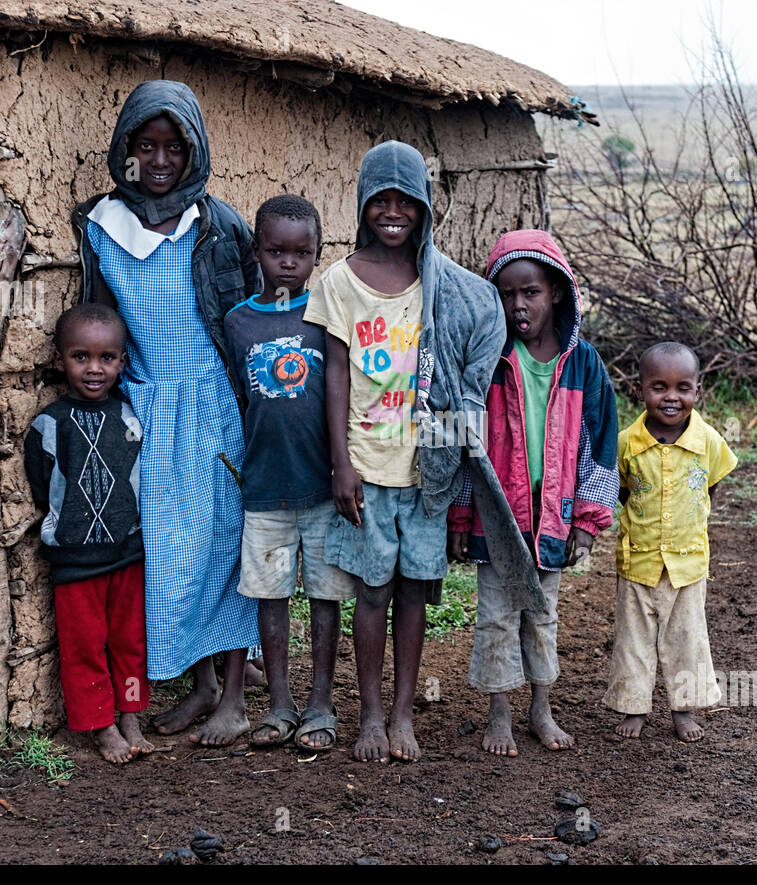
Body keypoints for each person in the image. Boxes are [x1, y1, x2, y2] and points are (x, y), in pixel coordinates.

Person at [304, 140, 544, 763]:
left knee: (413, 592)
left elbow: (477, 358)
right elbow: (333, 375)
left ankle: (406, 713)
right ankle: (372, 717)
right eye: (379, 200)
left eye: (404, 202)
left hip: (428, 470)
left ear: (423, 208)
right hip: (366, 466)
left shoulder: (448, 287)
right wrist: (341, 464)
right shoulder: (339, 282)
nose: (392, 213)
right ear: (362, 206)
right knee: (371, 593)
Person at [72, 80, 260, 748]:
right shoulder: (101, 227)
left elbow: (251, 320)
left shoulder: (219, 224)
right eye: (144, 146)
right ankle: (202, 684)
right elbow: (96, 319)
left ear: (194, 150)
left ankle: (235, 697)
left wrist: (260, 408)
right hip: (148, 408)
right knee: (169, 551)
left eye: (172, 147)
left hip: (214, 403)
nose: (158, 160)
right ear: (124, 149)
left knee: (229, 545)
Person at [448, 230, 618, 757]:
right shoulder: (489, 358)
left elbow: (600, 446)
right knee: (496, 614)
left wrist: (588, 521)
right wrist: (459, 514)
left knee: (542, 615)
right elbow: (463, 441)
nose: (518, 305)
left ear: (559, 292)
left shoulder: (584, 365)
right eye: (505, 294)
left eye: (531, 292)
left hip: (554, 519)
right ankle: (498, 713)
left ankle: (541, 708)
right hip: (497, 518)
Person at [225, 195, 353, 753]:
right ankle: (279, 704)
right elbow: (237, 394)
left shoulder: (327, 316)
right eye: (276, 251)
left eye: (301, 253)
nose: (287, 264)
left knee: (325, 598)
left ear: (317, 256)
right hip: (264, 490)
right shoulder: (238, 323)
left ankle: (320, 703)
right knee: (270, 598)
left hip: (325, 488)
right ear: (257, 251)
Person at [24, 303, 152, 764]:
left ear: (122, 361)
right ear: (60, 360)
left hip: (127, 554)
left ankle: (131, 711)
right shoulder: (48, 425)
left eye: (107, 358)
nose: (94, 369)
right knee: (84, 646)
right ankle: (101, 723)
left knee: (129, 640)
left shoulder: (132, 418)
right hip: (75, 562)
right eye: (81, 357)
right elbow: (44, 489)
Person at [603, 342, 737, 742]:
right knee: (633, 640)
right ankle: (633, 708)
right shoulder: (627, 442)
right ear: (639, 389)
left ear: (698, 390)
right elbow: (623, 490)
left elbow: (711, 485)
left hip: (688, 564)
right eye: (659, 387)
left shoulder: (708, 441)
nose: (671, 397)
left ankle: (684, 710)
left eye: (683, 387)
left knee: (688, 641)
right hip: (638, 561)